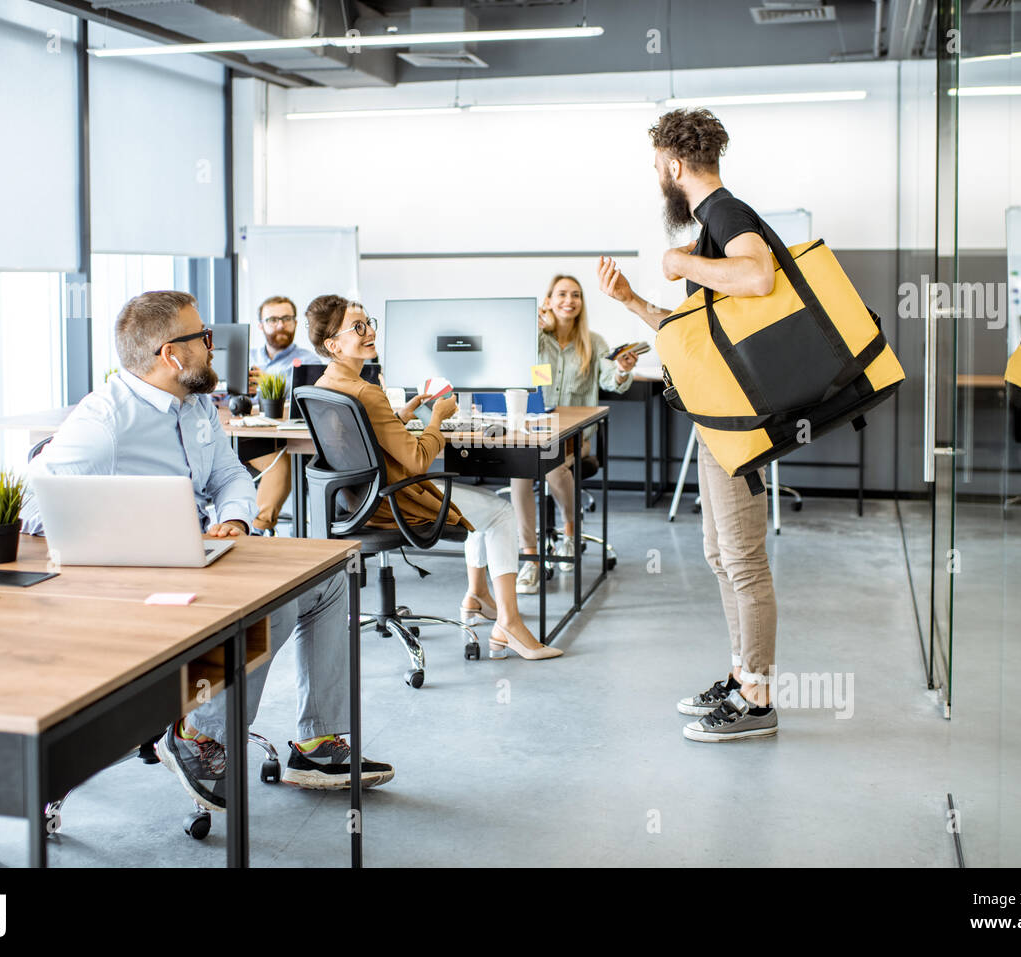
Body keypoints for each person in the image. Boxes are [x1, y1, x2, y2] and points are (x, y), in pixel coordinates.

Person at [22, 290, 394, 811]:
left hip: (205, 553)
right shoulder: (104, 421)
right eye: (205, 338)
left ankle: (315, 742)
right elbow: (36, 510)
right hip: (146, 570)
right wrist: (142, 530)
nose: (215, 348)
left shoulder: (195, 404)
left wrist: (235, 518)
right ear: (171, 354)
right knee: (272, 601)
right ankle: (200, 734)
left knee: (329, 577)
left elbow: (228, 475)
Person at [598, 108, 779, 741]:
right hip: (717, 417)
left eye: (656, 168)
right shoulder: (711, 228)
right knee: (719, 554)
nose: (657, 180)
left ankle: (757, 701)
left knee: (744, 560)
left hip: (740, 425)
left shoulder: (725, 214)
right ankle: (740, 677)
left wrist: (678, 261)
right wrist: (631, 303)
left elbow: (759, 275)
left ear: (675, 166)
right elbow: (692, 339)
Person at [307, 294, 561, 660]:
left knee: (483, 512)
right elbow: (417, 460)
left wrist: (404, 414)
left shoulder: (326, 386)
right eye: (357, 327)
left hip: (359, 502)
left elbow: (363, 439)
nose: (369, 332)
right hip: (395, 502)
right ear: (333, 344)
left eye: (369, 323)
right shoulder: (367, 391)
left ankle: (478, 597)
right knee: (501, 513)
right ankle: (509, 623)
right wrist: (438, 417)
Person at [508, 275, 638, 594]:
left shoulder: (593, 343)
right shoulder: (535, 341)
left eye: (576, 295)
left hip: (574, 438)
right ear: (549, 300)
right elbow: (510, 365)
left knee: (553, 467)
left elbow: (611, 379)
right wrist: (533, 327)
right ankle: (531, 559)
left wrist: (622, 369)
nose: (570, 300)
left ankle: (570, 531)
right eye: (562, 294)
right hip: (535, 432)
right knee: (519, 475)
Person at [241, 295, 321, 532]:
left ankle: (255, 531)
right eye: (273, 319)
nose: (280, 325)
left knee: (280, 463)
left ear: (295, 323)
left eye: (286, 318)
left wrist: (270, 387)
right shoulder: (247, 360)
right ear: (261, 325)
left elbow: (310, 405)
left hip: (283, 444)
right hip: (242, 437)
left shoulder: (308, 361)